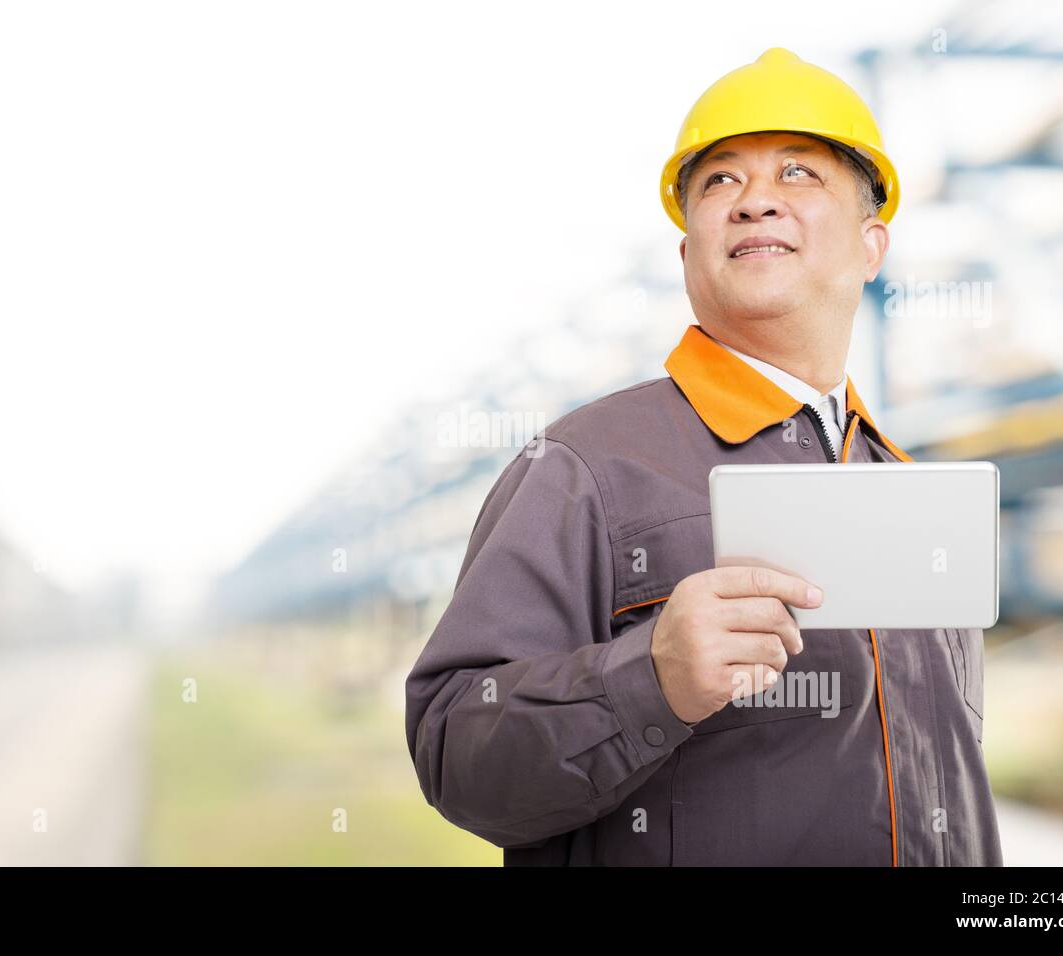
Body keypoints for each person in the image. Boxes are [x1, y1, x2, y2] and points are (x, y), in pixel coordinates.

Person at [404, 48, 1002, 866]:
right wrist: (647, 679)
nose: (756, 200)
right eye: (719, 182)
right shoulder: (583, 467)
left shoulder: (911, 494)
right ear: (688, 258)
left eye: (799, 173)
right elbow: (453, 750)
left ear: (872, 247)